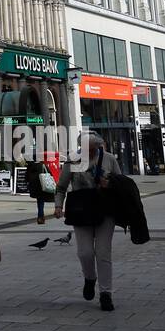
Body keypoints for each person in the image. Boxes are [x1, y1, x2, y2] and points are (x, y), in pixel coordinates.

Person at [54, 132, 121, 312]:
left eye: (93, 149)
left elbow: (121, 183)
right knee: (85, 252)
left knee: (103, 253)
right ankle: (90, 278)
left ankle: (106, 294)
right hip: (81, 211)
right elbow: (61, 187)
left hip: (105, 211)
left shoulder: (109, 159)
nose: (90, 153)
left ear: (98, 147)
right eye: (86, 149)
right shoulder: (73, 161)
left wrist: (110, 185)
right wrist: (58, 206)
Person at [25, 156, 46, 224]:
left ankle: (41, 216)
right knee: (41, 201)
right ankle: (40, 217)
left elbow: (27, 176)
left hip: (34, 185)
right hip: (41, 184)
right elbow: (48, 173)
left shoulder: (30, 165)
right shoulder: (42, 165)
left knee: (39, 200)